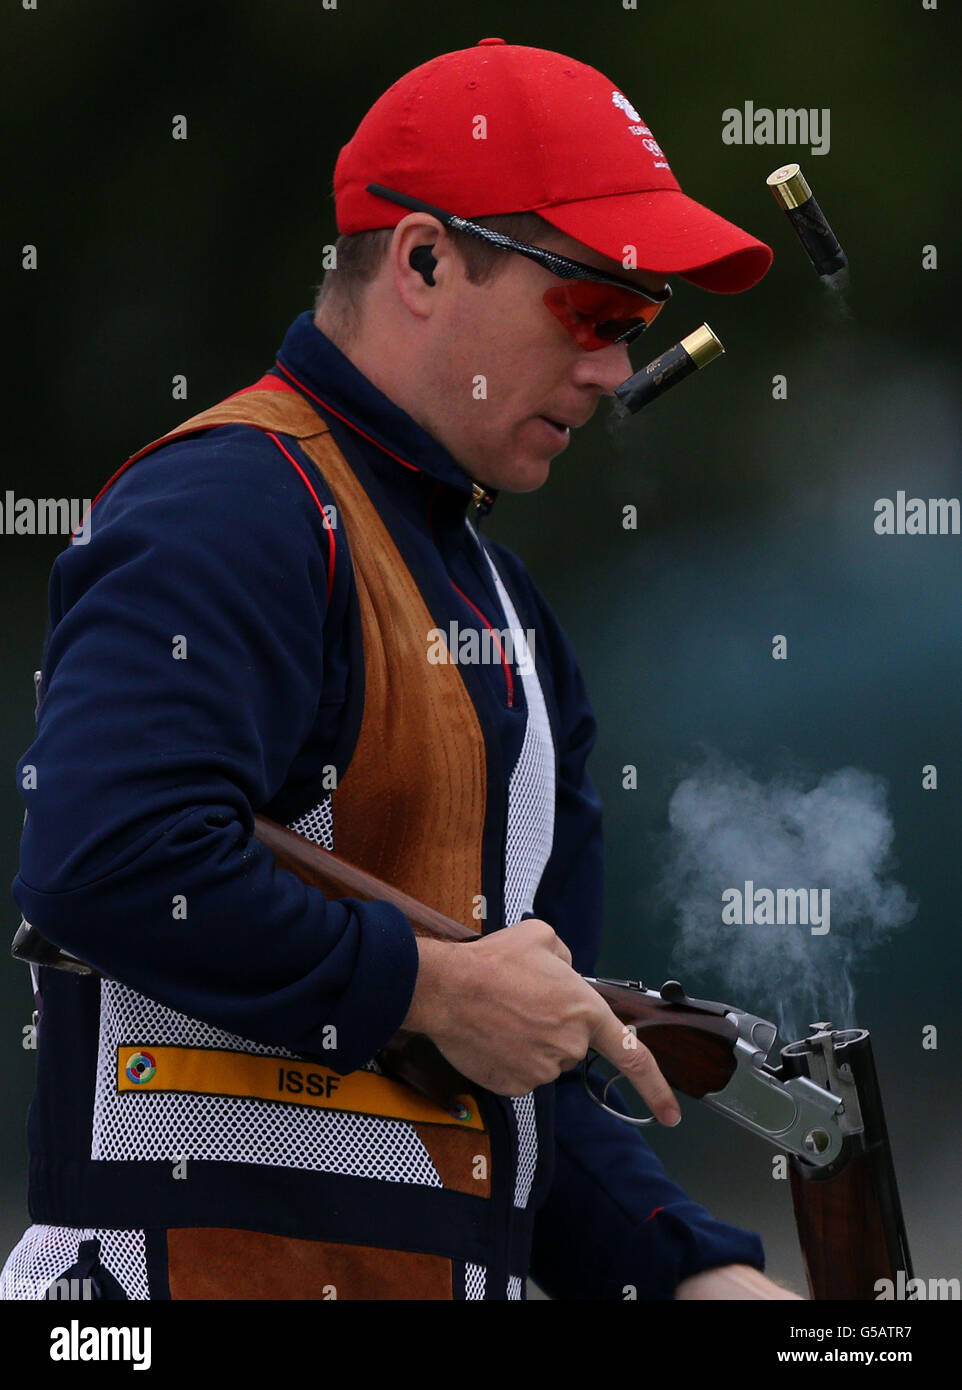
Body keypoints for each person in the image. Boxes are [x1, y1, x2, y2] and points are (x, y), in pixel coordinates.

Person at [2, 39, 799, 1301]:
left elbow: (527, 1073)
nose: (608, 369)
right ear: (424, 259)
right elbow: (105, 858)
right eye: (591, 309)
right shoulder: (231, 505)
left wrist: (695, 1278)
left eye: (635, 325)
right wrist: (426, 985)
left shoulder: (513, 617)